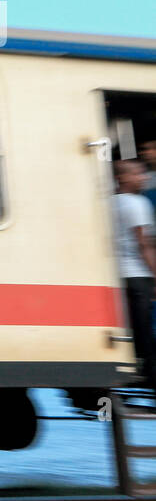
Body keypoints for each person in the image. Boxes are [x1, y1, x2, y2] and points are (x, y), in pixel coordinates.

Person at [113, 160, 156, 393]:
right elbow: (144, 243)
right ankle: (150, 380)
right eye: (137, 174)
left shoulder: (107, 203)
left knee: (131, 328)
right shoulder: (138, 203)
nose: (143, 177)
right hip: (138, 274)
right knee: (145, 332)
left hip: (117, 277)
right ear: (123, 178)